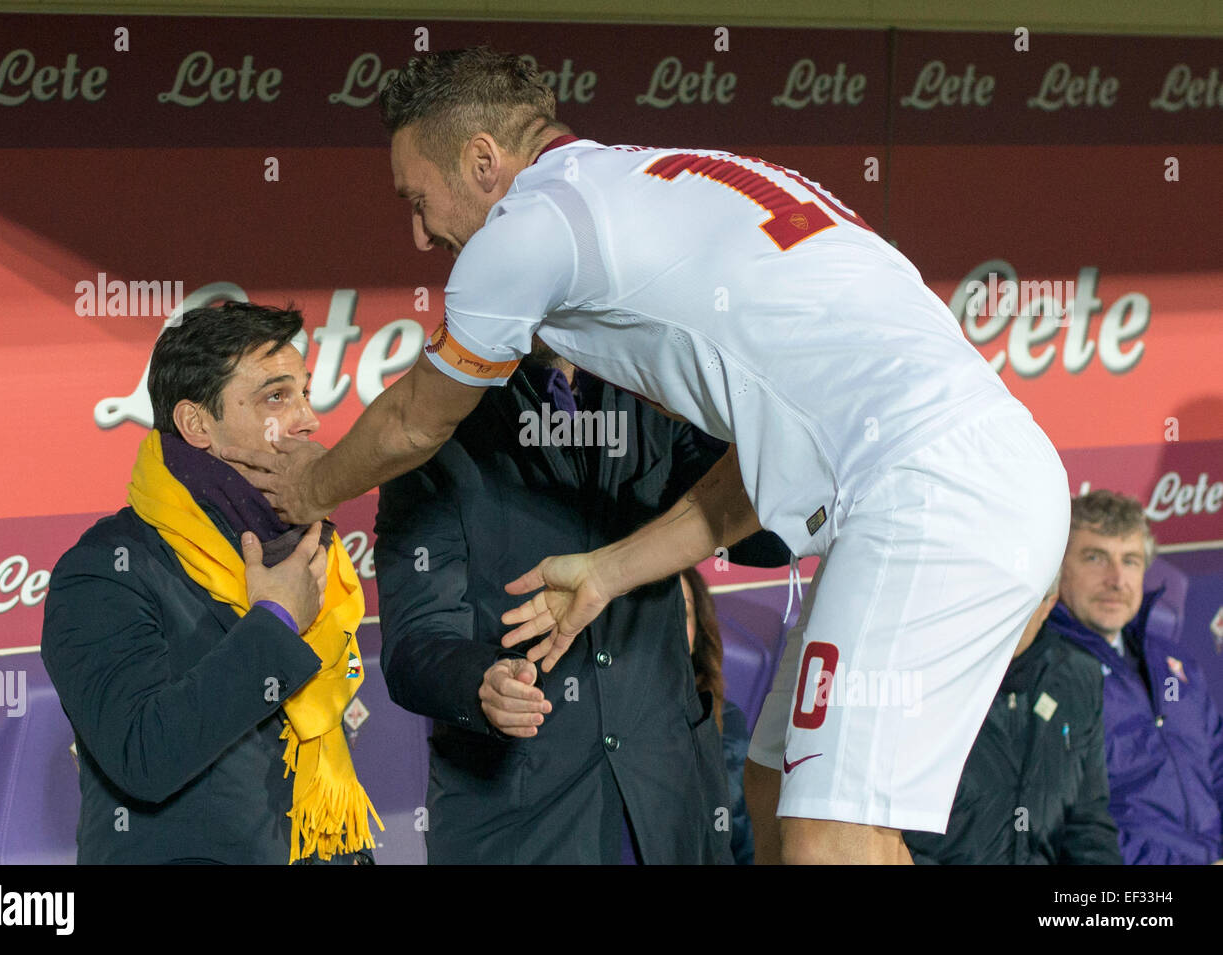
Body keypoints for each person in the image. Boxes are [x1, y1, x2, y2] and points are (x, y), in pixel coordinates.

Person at [222, 48, 1070, 864]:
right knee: (773, 789)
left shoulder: (529, 228)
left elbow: (414, 420)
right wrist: (608, 570)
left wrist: (307, 487)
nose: (419, 233)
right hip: (979, 474)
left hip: (927, 494)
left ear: (484, 159)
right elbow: (744, 481)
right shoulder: (659, 183)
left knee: (831, 840)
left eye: (419, 196)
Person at [374, 342, 787, 863]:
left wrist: (720, 400)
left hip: (672, 807)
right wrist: (484, 681)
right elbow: (416, 640)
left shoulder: (657, 394)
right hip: (520, 822)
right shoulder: (431, 419)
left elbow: (772, 539)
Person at [41, 302, 381, 864]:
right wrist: (274, 624)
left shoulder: (309, 549)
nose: (307, 419)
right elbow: (142, 756)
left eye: (304, 392)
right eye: (277, 396)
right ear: (197, 424)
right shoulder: (103, 569)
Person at [1049, 490, 1223, 865]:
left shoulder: (1174, 664)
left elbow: (1218, 766)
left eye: (1130, 560)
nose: (1116, 579)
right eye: (1095, 557)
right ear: (1058, 566)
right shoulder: (1046, 676)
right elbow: (1066, 827)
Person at [902, 577, 1122, 864]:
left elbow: (1088, 825)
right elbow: (886, 832)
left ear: (1048, 606)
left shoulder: (1079, 678)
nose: (1005, 614)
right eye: (996, 597)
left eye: (1022, 602)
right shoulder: (919, 676)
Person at [681, 566, 755, 864]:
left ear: (698, 632)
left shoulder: (725, 719)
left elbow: (746, 840)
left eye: (681, 614)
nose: (668, 630)